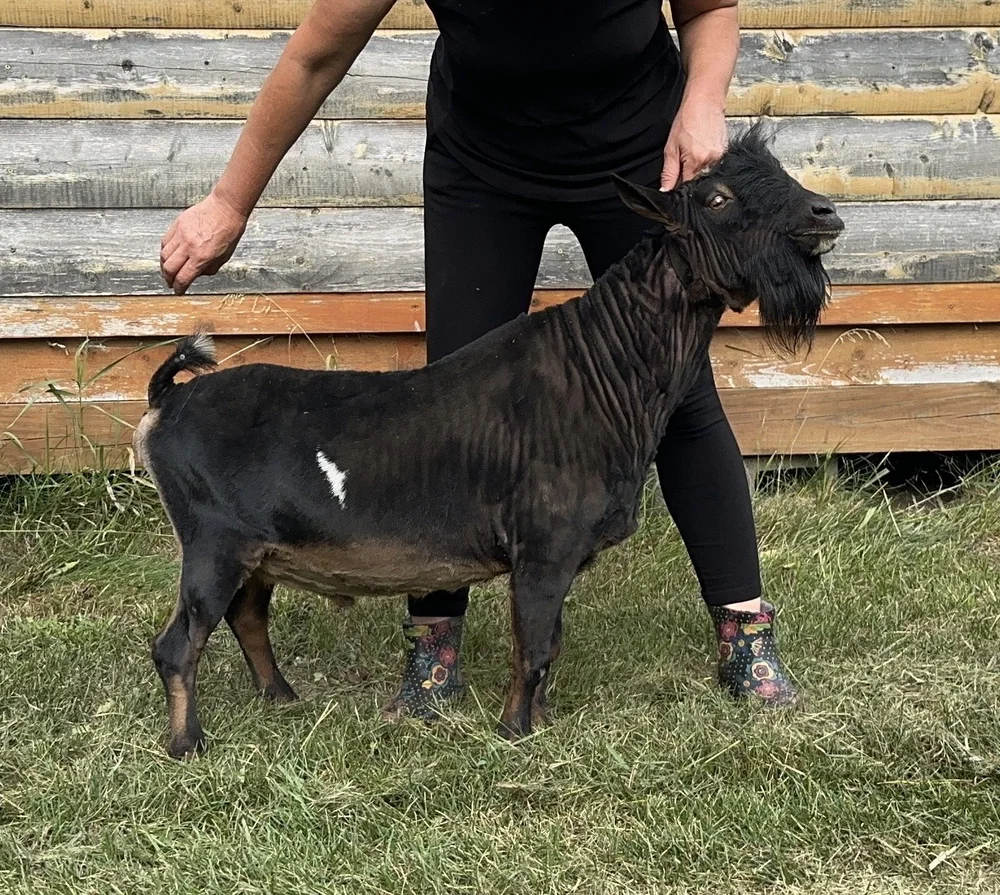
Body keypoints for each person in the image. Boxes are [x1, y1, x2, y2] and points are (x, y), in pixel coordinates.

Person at [160, 0, 798, 720]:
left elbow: (709, 7)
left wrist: (704, 98)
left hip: (635, 146)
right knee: (446, 404)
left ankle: (745, 627)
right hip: (486, 159)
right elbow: (314, 55)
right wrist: (229, 199)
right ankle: (436, 647)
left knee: (678, 389)